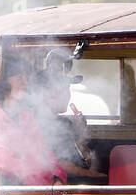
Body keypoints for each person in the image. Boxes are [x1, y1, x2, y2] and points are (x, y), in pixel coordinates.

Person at [0, 54, 66, 185]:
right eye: (20, 77)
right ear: (3, 81)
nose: (26, 82)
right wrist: (49, 186)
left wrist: (57, 176)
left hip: (40, 188)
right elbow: (12, 167)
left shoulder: (24, 114)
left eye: (26, 77)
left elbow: (44, 153)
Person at [31, 49, 103, 183]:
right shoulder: (34, 124)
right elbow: (59, 164)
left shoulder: (65, 123)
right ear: (43, 94)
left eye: (67, 89)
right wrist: (93, 175)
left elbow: (86, 160)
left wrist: (79, 134)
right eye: (62, 89)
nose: (67, 94)